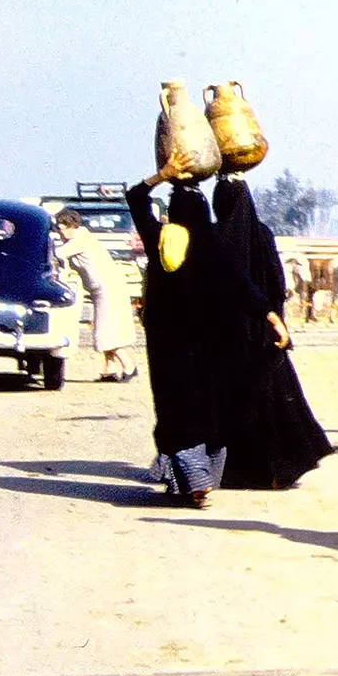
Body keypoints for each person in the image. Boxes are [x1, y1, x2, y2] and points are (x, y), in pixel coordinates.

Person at [126, 149, 290, 505]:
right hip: (212, 344)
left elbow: (135, 197)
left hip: (169, 348)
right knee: (211, 411)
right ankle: (202, 483)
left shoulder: (160, 239)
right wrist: (271, 316)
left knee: (176, 411)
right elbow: (241, 284)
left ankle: (193, 483)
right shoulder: (213, 244)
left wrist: (163, 174)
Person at [210, 173, 334, 489]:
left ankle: (235, 470)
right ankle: (279, 469)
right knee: (273, 398)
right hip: (265, 333)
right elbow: (278, 285)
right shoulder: (262, 235)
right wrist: (274, 318)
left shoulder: (214, 237)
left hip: (226, 336)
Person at [51, 208, 137, 382]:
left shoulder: (81, 240)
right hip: (101, 289)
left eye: (61, 228)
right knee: (105, 327)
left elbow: (57, 254)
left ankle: (129, 366)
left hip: (107, 288)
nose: (60, 233)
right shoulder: (80, 239)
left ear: (71, 226)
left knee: (103, 330)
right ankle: (109, 368)